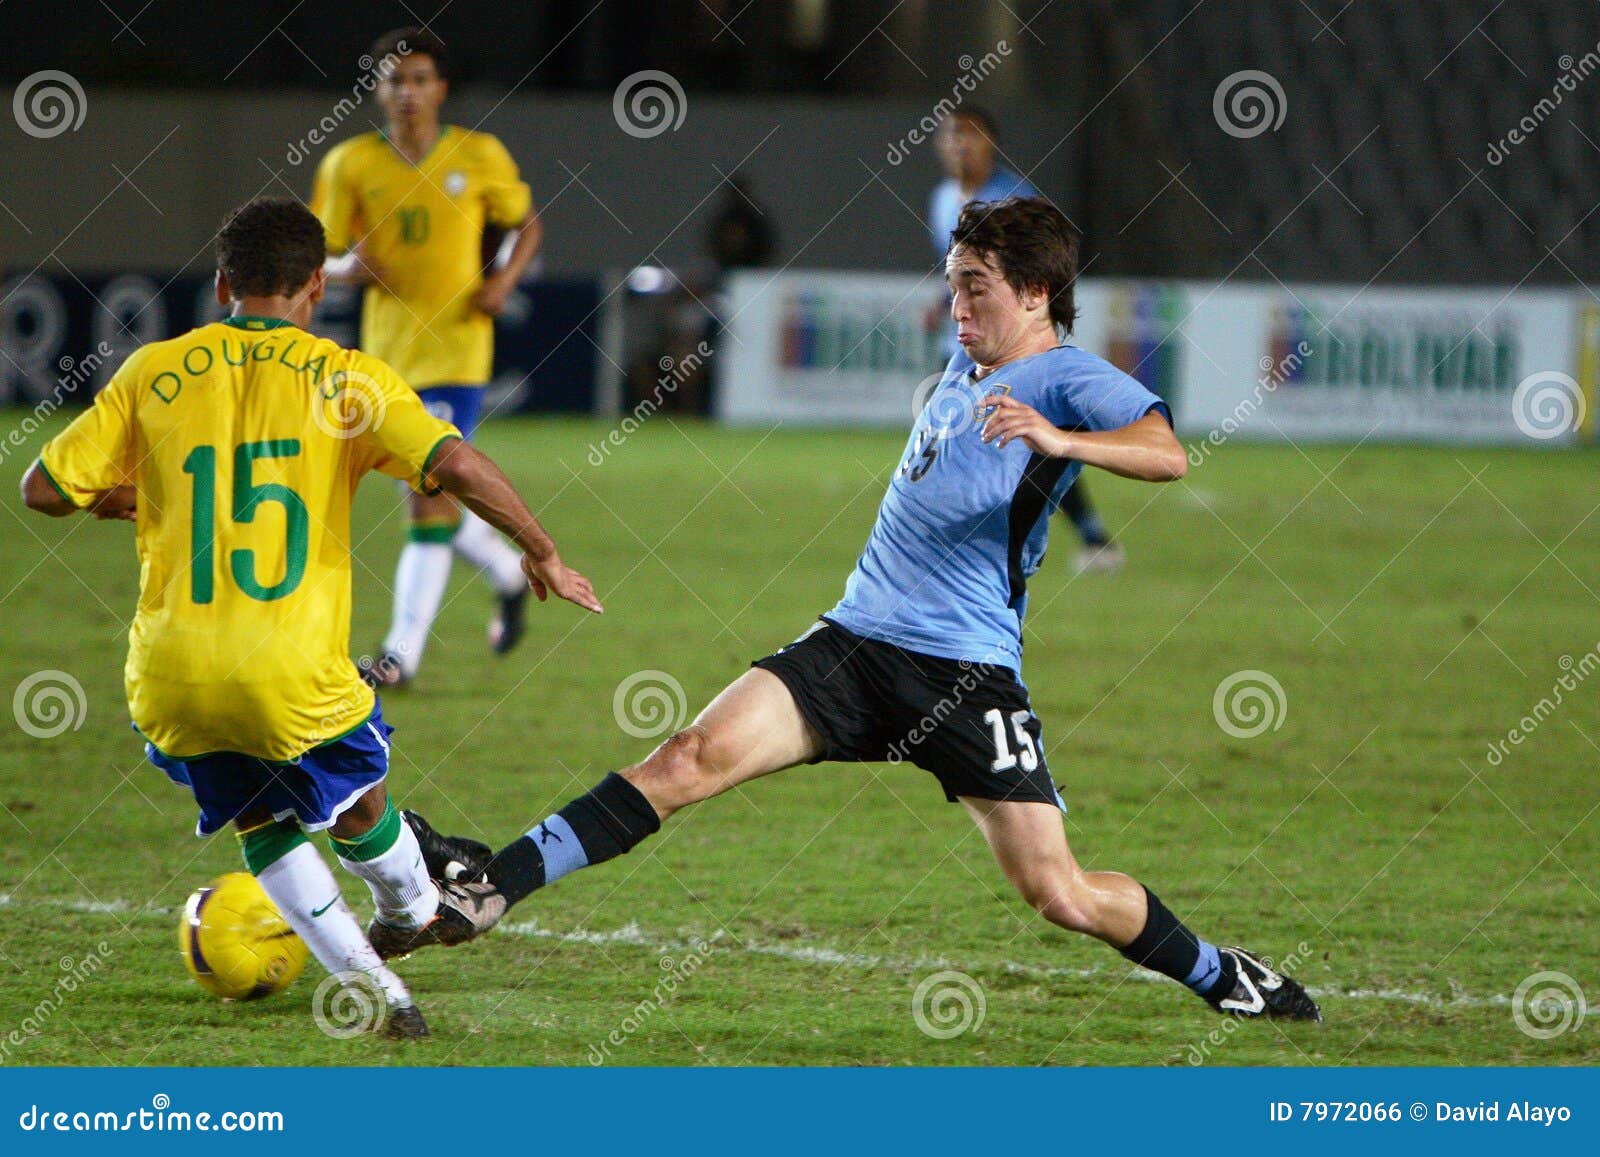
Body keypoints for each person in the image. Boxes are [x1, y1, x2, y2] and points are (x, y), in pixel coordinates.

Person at [408, 198, 1321, 1024]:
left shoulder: (1065, 376)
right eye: (953, 286)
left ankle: (1218, 972)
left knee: (1060, 892)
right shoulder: (968, 366)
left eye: (976, 289)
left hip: (962, 674)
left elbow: (1167, 453)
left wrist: (1059, 439)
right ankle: (493, 883)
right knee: (685, 757)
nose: (957, 308)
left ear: (1037, 292)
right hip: (849, 645)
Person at [20, 198, 602, 1039]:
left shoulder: (154, 369)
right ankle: (407, 908)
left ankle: (381, 992)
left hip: (171, 675)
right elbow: (457, 464)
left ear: (223, 283)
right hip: (294, 670)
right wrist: (540, 551)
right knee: (361, 797)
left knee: (263, 817)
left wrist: (143, 497)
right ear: (316, 285)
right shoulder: (348, 378)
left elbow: (41, 489)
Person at [311, 27, 546, 686]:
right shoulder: (349, 164)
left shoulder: (480, 154)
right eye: (394, 80)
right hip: (383, 358)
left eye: (419, 79)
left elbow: (527, 223)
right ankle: (507, 574)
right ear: (377, 91)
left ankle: (398, 658)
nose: (407, 92)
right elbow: (317, 254)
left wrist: (502, 280)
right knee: (436, 499)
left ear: (440, 88)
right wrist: (349, 266)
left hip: (457, 352)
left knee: (426, 497)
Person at [929, 107, 1125, 574]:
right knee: (955, 439)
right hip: (961, 343)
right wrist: (941, 304)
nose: (959, 145)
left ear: (991, 143)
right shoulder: (940, 199)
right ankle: (966, 541)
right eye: (951, 136)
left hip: (1012, 346)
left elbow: (1039, 269)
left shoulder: (1014, 198)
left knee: (1030, 440)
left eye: (970, 136)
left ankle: (1088, 534)